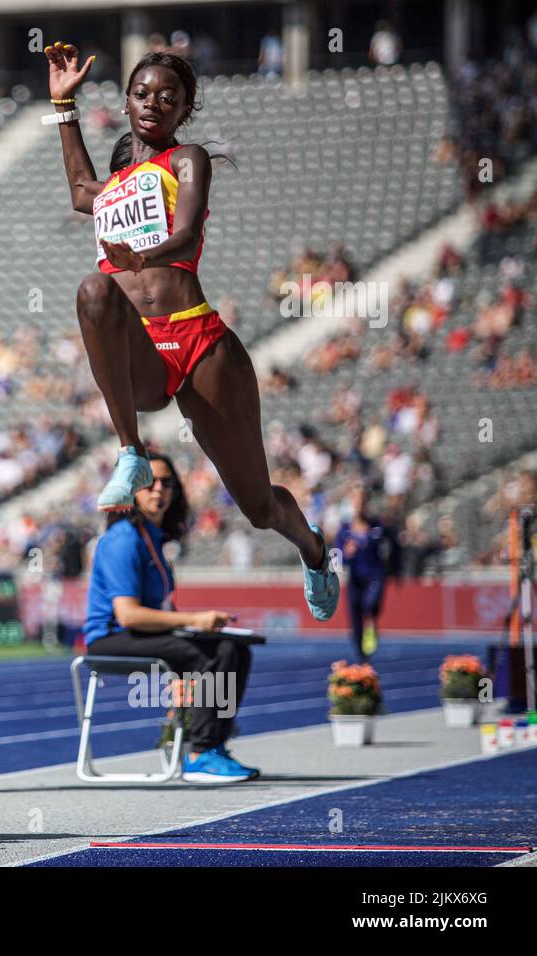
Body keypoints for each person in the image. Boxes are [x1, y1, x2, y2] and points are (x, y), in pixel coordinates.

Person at [43, 42, 339, 622]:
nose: (153, 103)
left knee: (257, 505)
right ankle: (130, 450)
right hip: (145, 350)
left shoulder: (188, 161)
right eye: (142, 94)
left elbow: (184, 234)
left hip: (201, 342)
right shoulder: (111, 190)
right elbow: (81, 188)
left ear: (184, 109)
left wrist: (140, 255)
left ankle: (313, 548)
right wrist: (63, 104)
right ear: (125, 103)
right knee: (92, 290)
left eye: (168, 97)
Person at [83, 453, 259, 782]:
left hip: (137, 636)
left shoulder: (155, 539)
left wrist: (198, 626)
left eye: (167, 483)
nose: (158, 489)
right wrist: (193, 621)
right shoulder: (123, 540)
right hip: (110, 640)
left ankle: (212, 748)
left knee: (233, 649)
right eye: (148, 482)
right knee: (210, 654)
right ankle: (200, 752)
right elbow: (129, 615)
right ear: (132, 489)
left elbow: (162, 612)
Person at [335, 487, 400, 662]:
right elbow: (336, 557)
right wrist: (345, 555)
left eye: (362, 500)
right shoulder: (344, 530)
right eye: (356, 500)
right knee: (355, 621)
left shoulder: (379, 526)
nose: (359, 504)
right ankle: (363, 659)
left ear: (367, 503)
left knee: (369, 606)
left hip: (375, 576)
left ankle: (371, 623)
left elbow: (394, 545)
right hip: (355, 580)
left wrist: (394, 567)